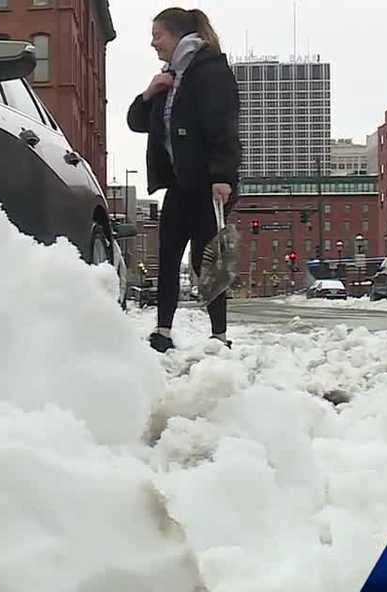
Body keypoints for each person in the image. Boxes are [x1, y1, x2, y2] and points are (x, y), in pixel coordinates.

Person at [127, 7, 242, 353]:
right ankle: (163, 331)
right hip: (178, 184)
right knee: (168, 255)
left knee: (207, 261)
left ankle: (219, 335)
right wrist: (149, 92)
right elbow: (136, 121)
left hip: (207, 183)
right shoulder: (169, 77)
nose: (152, 44)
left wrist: (223, 177)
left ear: (176, 35)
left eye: (157, 36)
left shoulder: (209, 71)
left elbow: (223, 126)